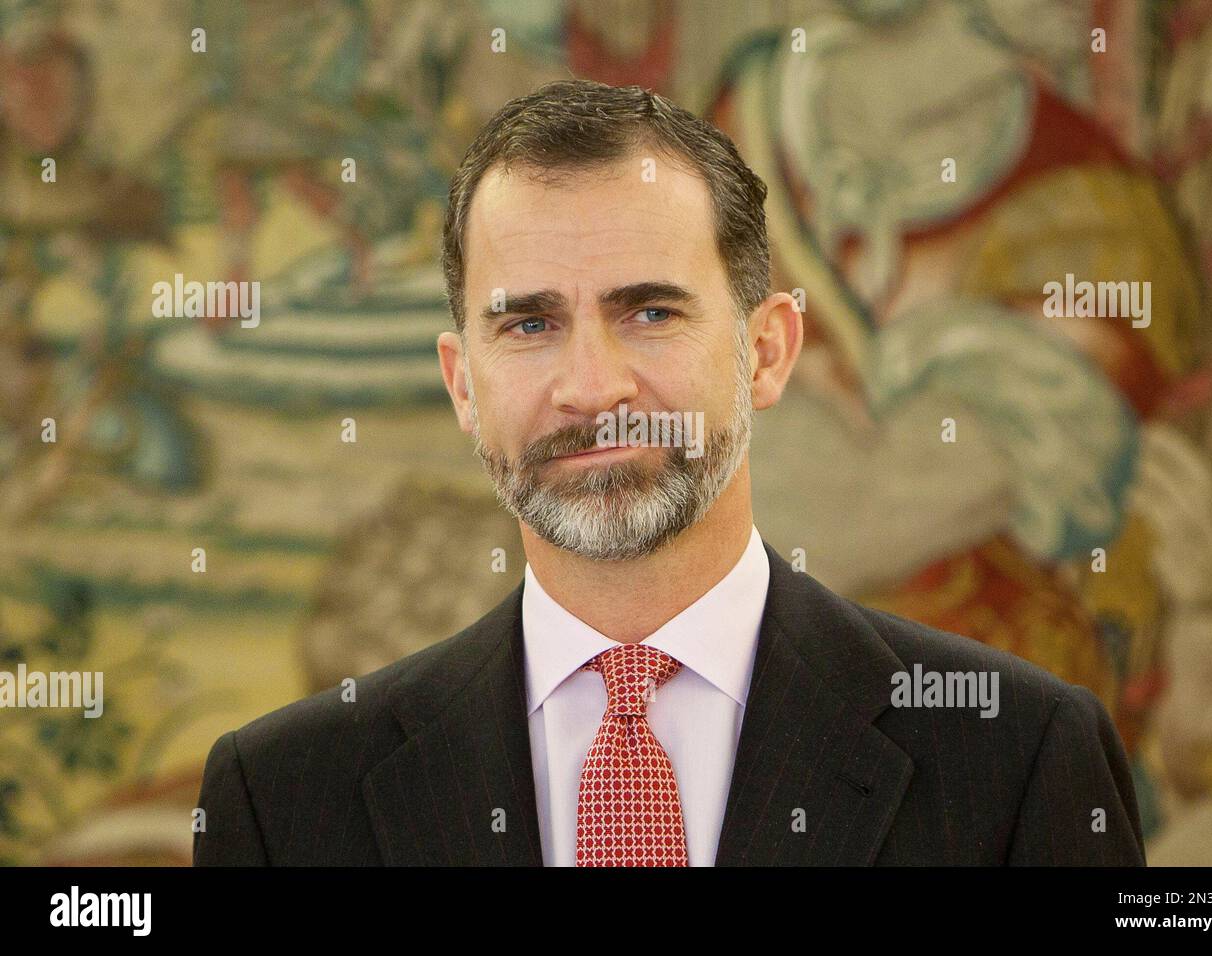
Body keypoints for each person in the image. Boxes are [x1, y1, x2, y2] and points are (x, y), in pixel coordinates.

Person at [193, 79, 1145, 866]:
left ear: (767, 352)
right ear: (462, 386)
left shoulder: (1017, 760)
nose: (591, 385)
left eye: (650, 312)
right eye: (529, 324)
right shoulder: (285, 804)